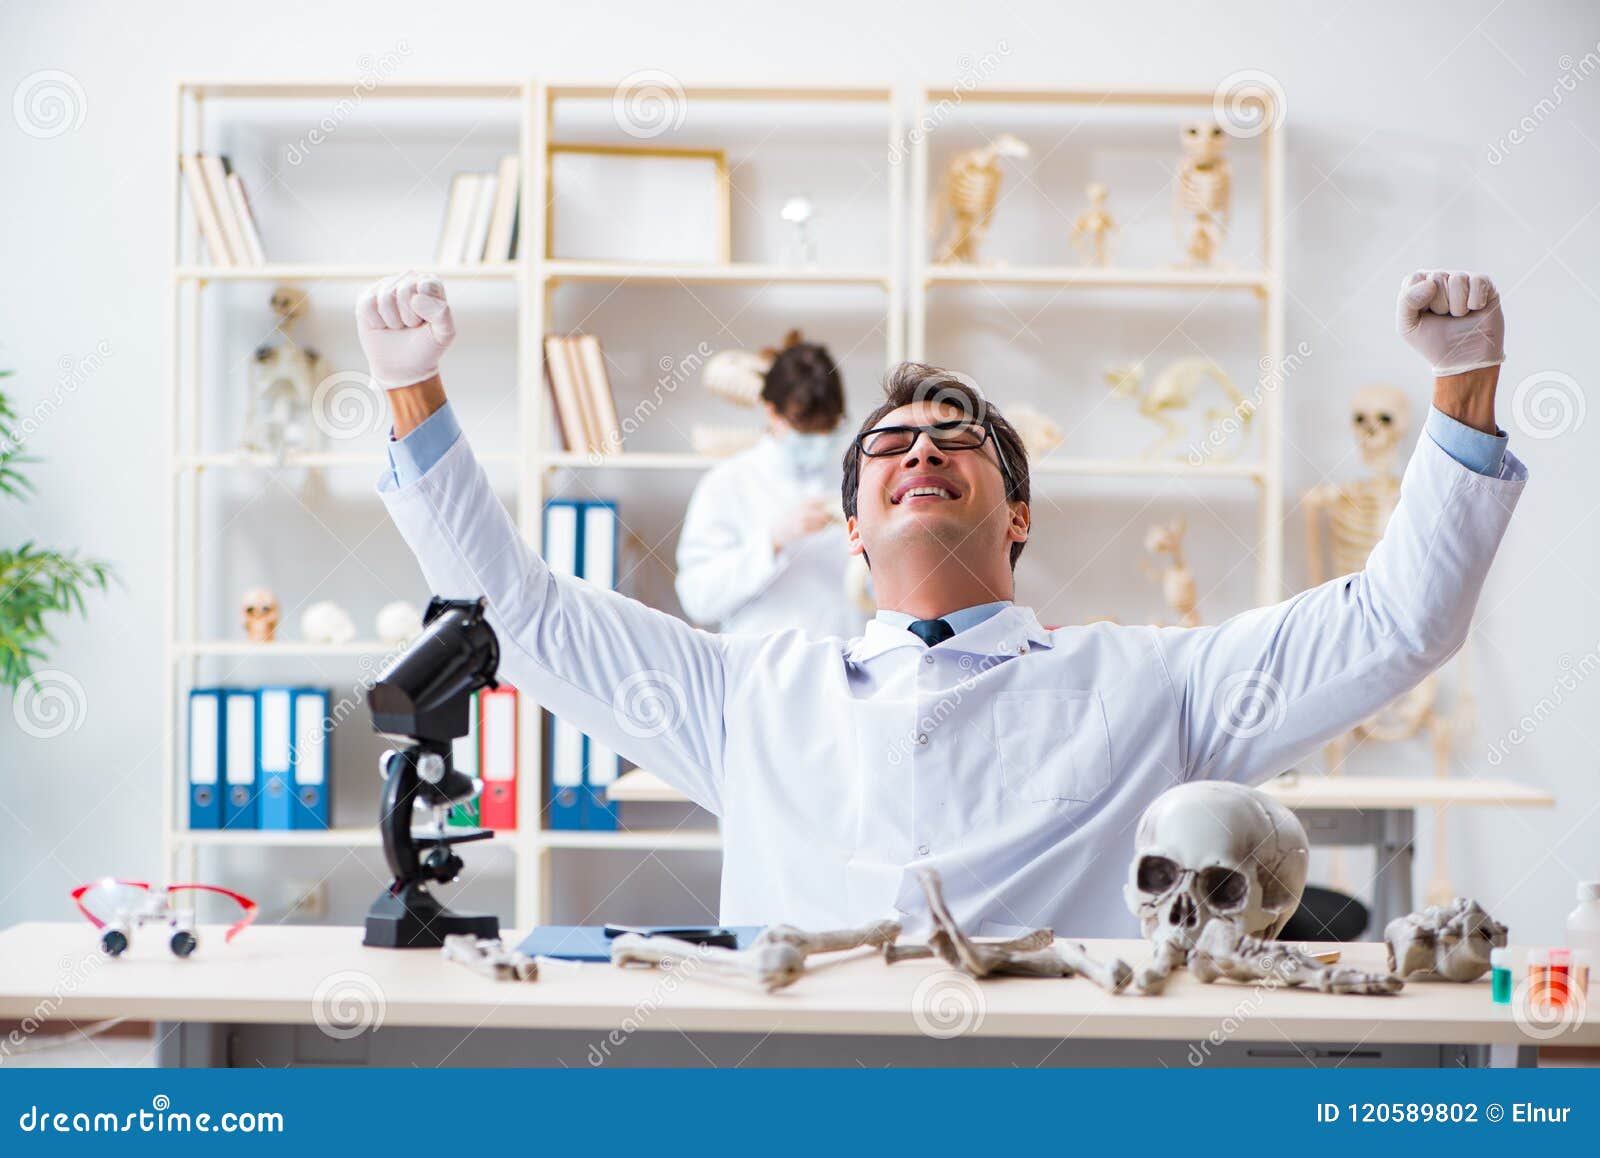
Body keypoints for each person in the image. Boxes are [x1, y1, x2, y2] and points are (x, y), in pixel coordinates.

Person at [358, 269, 1523, 937]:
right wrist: (410, 391)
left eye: (956, 441)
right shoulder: (744, 693)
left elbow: (1397, 622)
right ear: (851, 529)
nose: (919, 449)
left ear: (1017, 516)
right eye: (888, 446)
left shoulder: (1155, 682)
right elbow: (517, 614)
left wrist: (1462, 385)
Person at [675, 339, 867, 638]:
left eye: (828, 427)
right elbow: (697, 599)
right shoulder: (728, 482)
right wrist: (773, 540)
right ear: (771, 412)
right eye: (804, 429)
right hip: (760, 659)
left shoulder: (857, 477)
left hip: (846, 654)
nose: (819, 439)